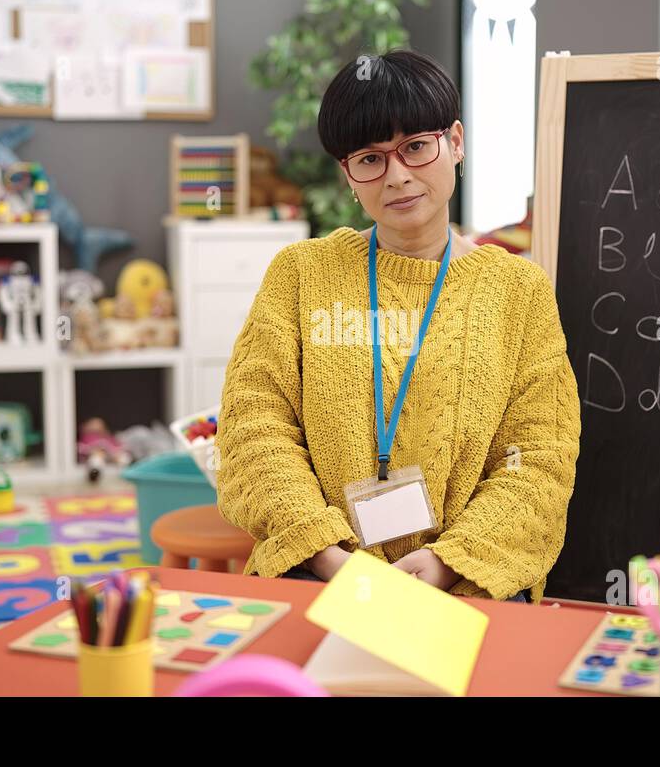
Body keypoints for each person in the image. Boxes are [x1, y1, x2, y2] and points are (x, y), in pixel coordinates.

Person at [215, 50, 580, 603]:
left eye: (415, 146)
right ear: (348, 175)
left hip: (468, 582)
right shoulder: (300, 275)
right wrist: (328, 554)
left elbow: (540, 458)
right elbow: (254, 429)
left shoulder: (518, 293)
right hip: (318, 573)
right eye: (369, 158)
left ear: (455, 143)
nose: (398, 175)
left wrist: (446, 561)